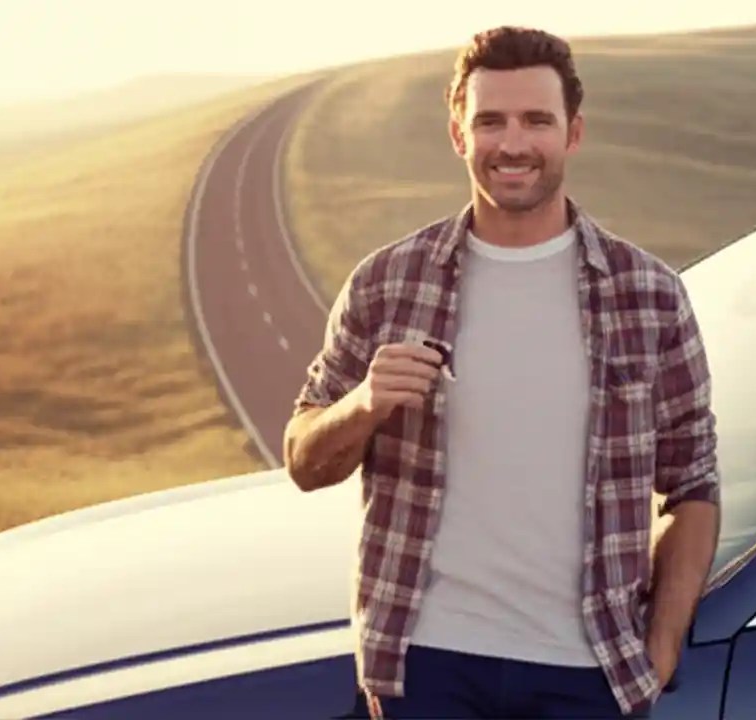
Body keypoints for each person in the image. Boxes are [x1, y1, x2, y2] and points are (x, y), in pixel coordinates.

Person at [283, 25, 720, 719]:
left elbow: (692, 485)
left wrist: (661, 646)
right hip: (428, 665)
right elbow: (304, 460)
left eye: (535, 121)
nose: (512, 144)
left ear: (572, 133)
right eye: (490, 121)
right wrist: (364, 405)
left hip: (590, 670)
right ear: (459, 133)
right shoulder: (387, 284)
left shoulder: (650, 295)